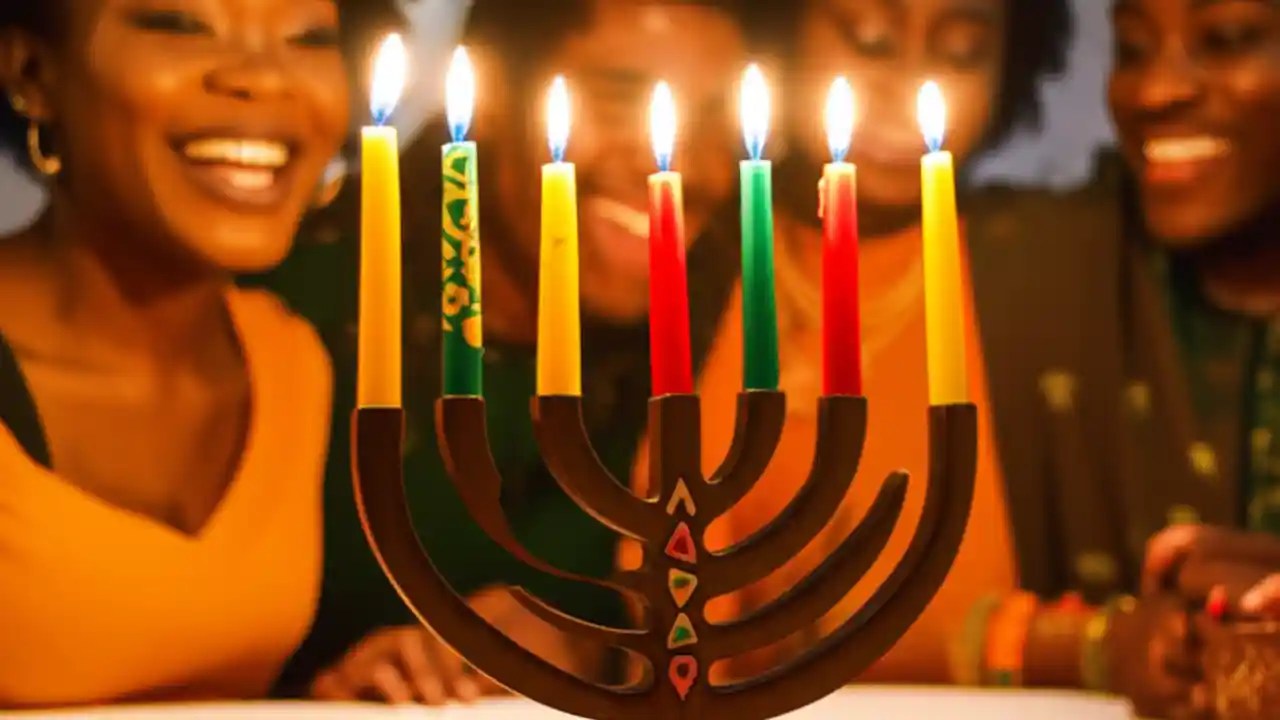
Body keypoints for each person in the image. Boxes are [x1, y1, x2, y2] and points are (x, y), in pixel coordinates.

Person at [271, 0, 752, 703]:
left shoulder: (715, 341)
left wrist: (595, 651)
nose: (679, 166)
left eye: (717, 121)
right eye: (619, 100)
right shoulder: (292, 312)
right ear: (493, 102)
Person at [636, 0, 1071, 684]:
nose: (906, 83)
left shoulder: (1059, 268)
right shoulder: (688, 244)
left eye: (961, 51)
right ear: (781, 34)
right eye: (868, 41)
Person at [0, 0, 400, 708]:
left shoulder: (290, 360)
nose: (264, 79)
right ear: (32, 72)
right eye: (179, 27)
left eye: (309, 40)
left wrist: (347, 684)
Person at [952, 0, 1280, 714]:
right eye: (1131, 48)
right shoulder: (1024, 262)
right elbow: (853, 614)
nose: (1153, 92)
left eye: (1225, 40)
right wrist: (1097, 643)